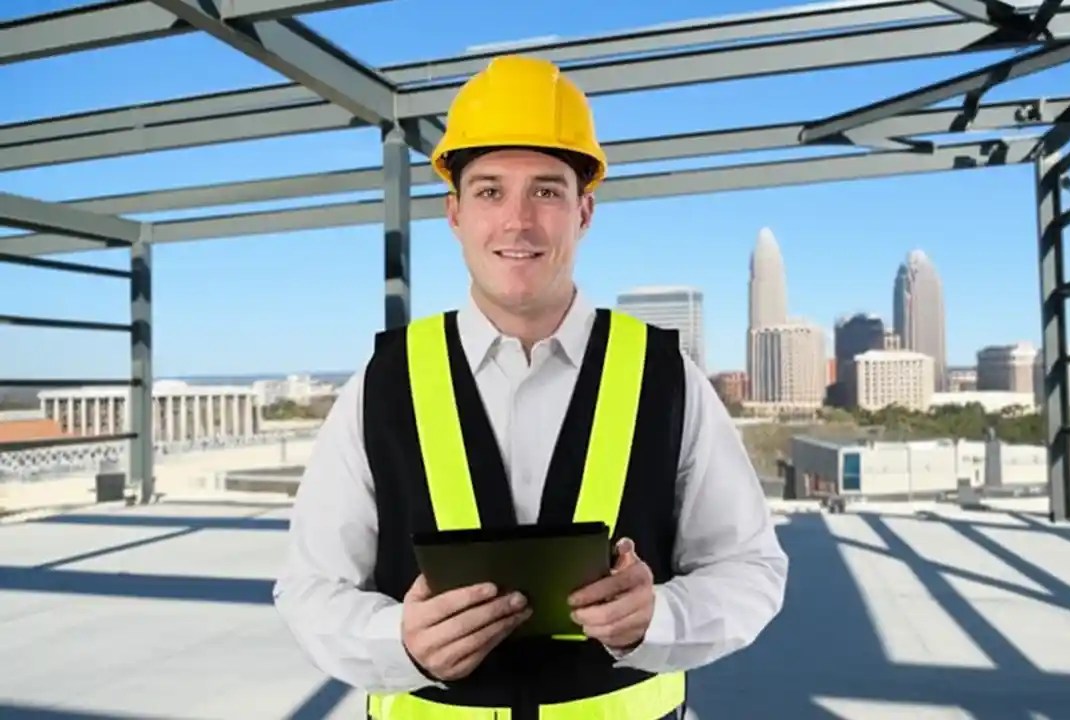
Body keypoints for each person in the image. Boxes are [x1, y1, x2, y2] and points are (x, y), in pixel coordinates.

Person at [272, 54, 788, 720]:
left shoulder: (665, 378)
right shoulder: (383, 385)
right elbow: (311, 588)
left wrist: (658, 618)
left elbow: (751, 570)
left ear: (585, 211)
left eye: (546, 190)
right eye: (490, 191)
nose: (517, 221)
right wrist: (397, 642)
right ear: (455, 214)